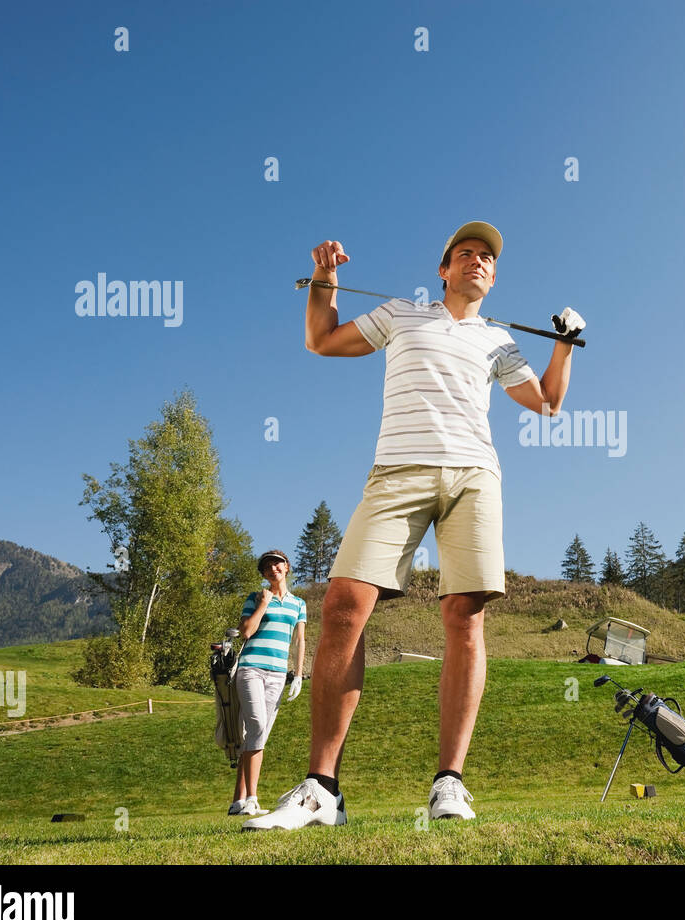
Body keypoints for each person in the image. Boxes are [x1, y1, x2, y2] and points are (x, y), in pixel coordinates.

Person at [243, 221, 584, 830]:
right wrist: (325, 282)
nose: (476, 261)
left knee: (465, 614)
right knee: (344, 605)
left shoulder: (501, 341)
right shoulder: (402, 314)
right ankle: (323, 790)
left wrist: (565, 345)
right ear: (444, 270)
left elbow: (548, 404)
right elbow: (321, 340)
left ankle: (449, 783)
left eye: (487, 258)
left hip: (474, 475)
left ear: (493, 277)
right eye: (465, 254)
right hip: (397, 469)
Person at [227, 549, 305, 816]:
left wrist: (297, 674)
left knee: (257, 735)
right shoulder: (255, 597)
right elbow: (246, 631)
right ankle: (252, 798)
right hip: (250, 669)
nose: (274, 569)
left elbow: (299, 640)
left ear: (287, 567)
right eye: (268, 566)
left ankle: (238, 801)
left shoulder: (298, 604)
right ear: (263, 573)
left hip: (277, 675)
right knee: (257, 727)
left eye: (278, 564)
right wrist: (263, 603)